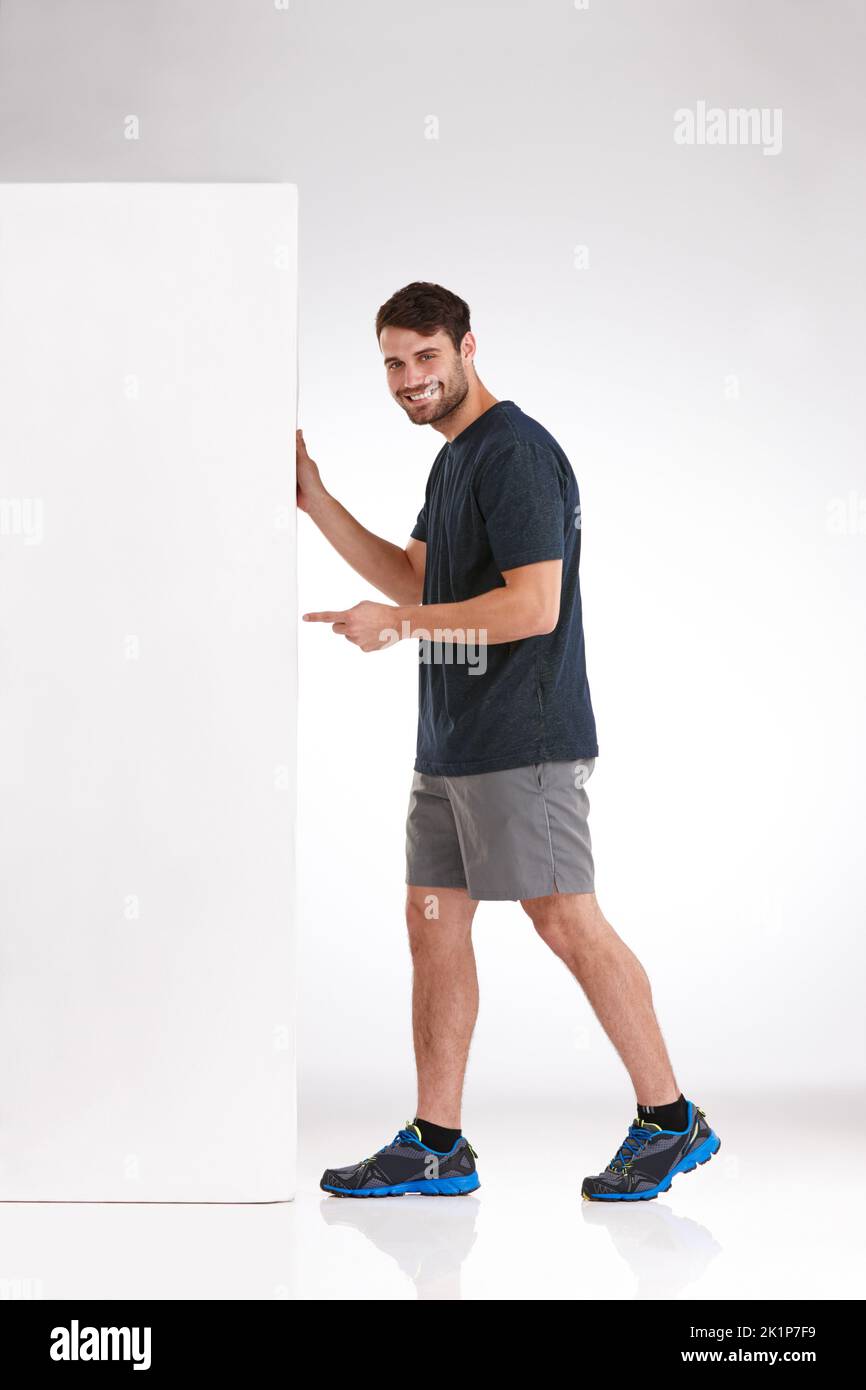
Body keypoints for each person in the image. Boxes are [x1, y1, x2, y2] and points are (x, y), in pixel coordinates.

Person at [299, 281, 720, 1201]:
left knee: (563, 917)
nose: (409, 378)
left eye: (425, 358)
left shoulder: (515, 453)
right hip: (450, 739)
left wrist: (402, 625)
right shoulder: (454, 460)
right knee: (433, 922)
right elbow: (412, 571)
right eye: (394, 363)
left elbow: (535, 606)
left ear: (467, 348)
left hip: (523, 738)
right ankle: (438, 1141)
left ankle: (670, 1118)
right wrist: (314, 499)